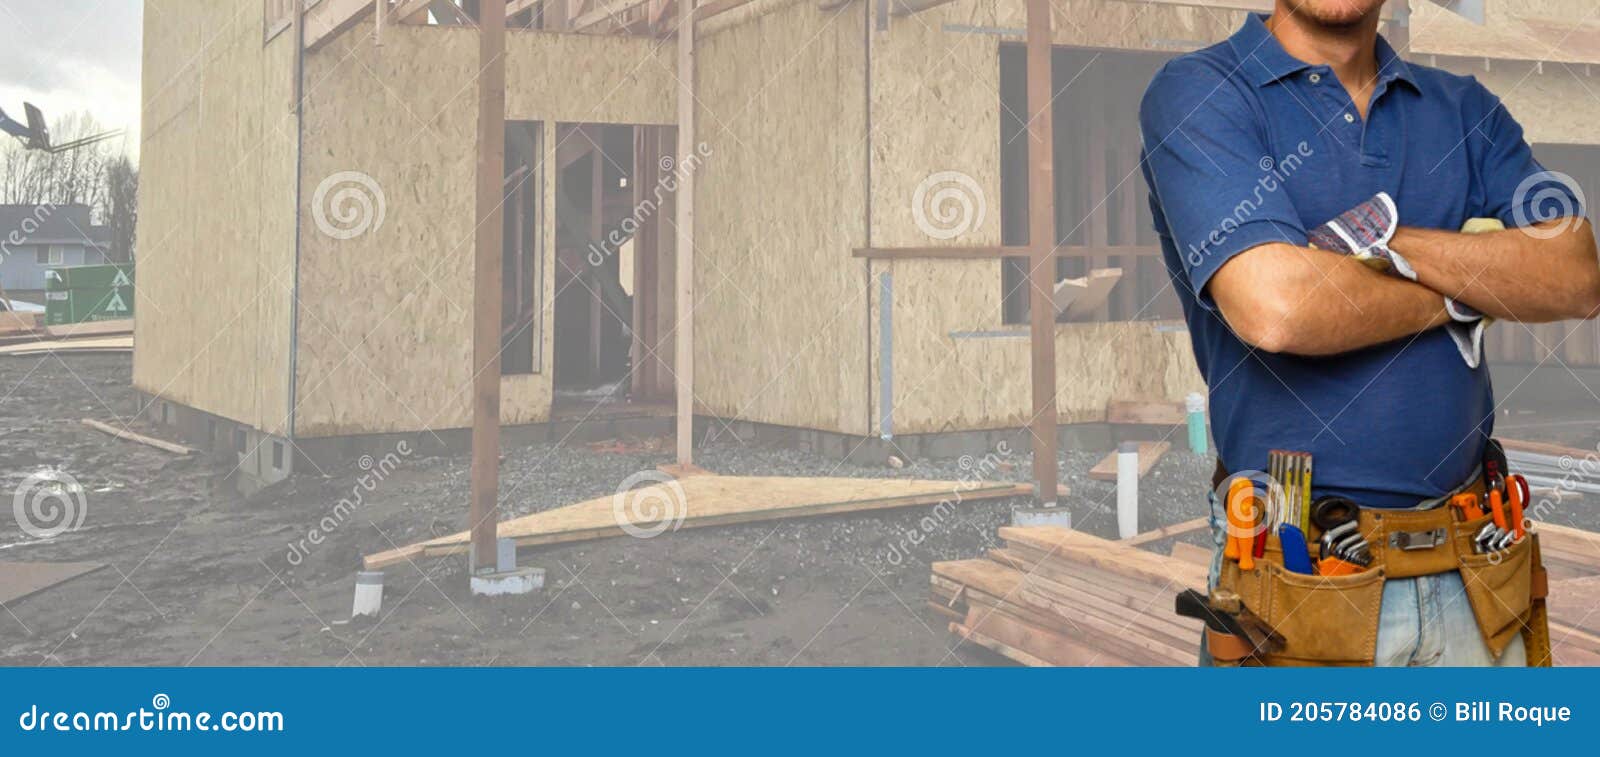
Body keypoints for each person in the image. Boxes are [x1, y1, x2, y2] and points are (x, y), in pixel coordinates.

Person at [1140, 0, 1597, 666]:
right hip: (1299, 580)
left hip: (1477, 572)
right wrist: (1467, 293)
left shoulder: (1464, 110)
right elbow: (1277, 309)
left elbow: (1576, 274)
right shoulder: (1202, 93)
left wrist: (1386, 242)